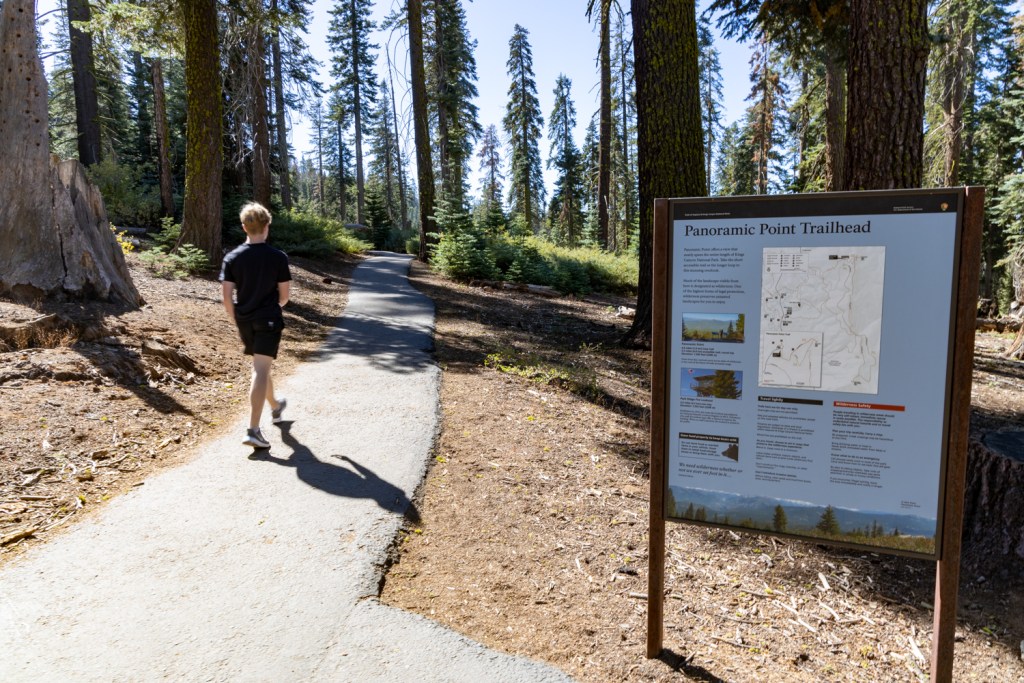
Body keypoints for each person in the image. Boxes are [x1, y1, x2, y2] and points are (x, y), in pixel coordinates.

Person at [219, 202, 291, 449]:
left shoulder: (232, 257)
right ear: (267, 226)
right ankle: (253, 430)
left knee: (262, 366)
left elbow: (227, 297)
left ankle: (275, 404)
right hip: (268, 318)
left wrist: (235, 317)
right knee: (260, 369)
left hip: (244, 320)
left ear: (244, 227)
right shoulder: (278, 257)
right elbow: (284, 297)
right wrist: (272, 309)